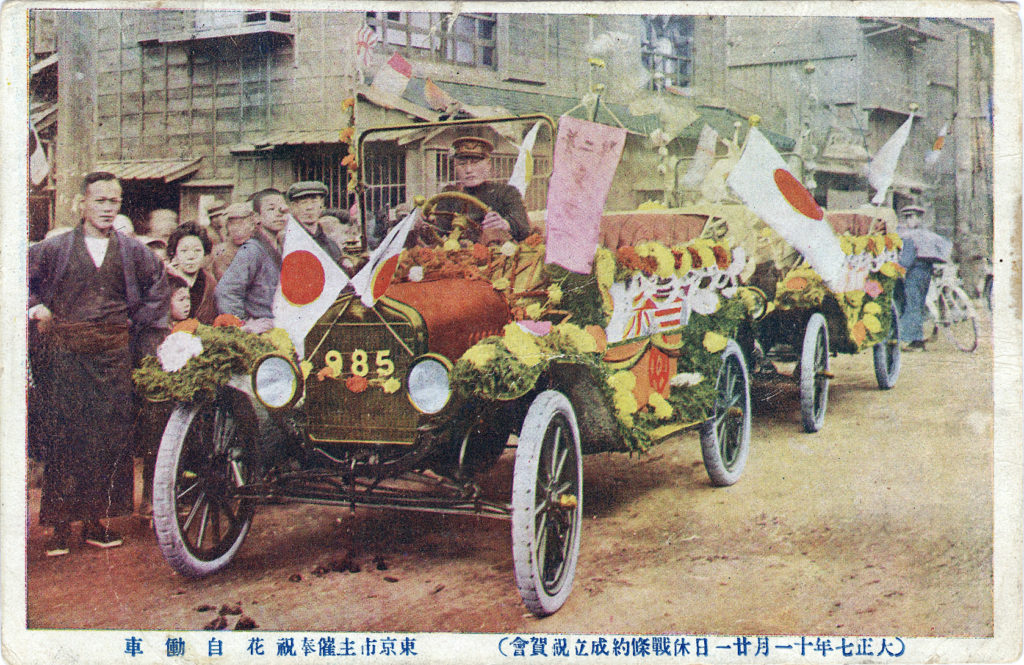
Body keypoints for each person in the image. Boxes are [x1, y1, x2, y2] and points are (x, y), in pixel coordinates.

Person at [28, 171, 169, 555]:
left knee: (107, 439)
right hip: (67, 356)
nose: (108, 209)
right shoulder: (54, 249)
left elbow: (158, 287)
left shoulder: (131, 249)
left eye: (114, 202)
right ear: (82, 204)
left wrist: (143, 332)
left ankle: (96, 521)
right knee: (66, 437)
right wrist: (35, 306)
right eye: (100, 201)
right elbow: (18, 276)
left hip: (113, 358)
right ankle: (58, 526)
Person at [416, 135, 530, 245]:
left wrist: (505, 224)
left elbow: (522, 224)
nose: (468, 170)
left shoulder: (506, 193)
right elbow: (438, 232)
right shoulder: (449, 197)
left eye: (475, 163)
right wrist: (428, 225)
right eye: (462, 164)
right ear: (455, 167)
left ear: (488, 165)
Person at [214, 188, 287, 333]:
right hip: (262, 329)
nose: (279, 214)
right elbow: (225, 292)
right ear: (257, 217)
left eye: (282, 209)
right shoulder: (251, 250)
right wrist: (244, 325)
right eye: (271, 209)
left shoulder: (283, 245)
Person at [896, 203, 952, 351]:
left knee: (913, 305)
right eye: (907, 217)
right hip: (925, 272)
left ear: (919, 218)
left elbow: (906, 260)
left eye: (912, 217)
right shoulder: (926, 236)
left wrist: (899, 269)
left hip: (915, 273)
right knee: (917, 304)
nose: (909, 221)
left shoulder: (910, 236)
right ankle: (916, 338)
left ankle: (915, 340)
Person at [166, 221, 218, 324]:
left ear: (204, 253)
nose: (191, 257)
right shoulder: (165, 279)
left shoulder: (210, 283)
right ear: (175, 253)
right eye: (184, 251)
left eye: (197, 251)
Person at [285, 181, 343, 264]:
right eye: (304, 202)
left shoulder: (331, 246)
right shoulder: (288, 242)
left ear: (322, 205)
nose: (309, 207)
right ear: (294, 206)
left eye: (314, 201)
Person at [210, 203, 256, 279]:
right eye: (231, 224)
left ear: (252, 226)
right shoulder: (220, 252)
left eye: (241, 223)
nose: (236, 228)